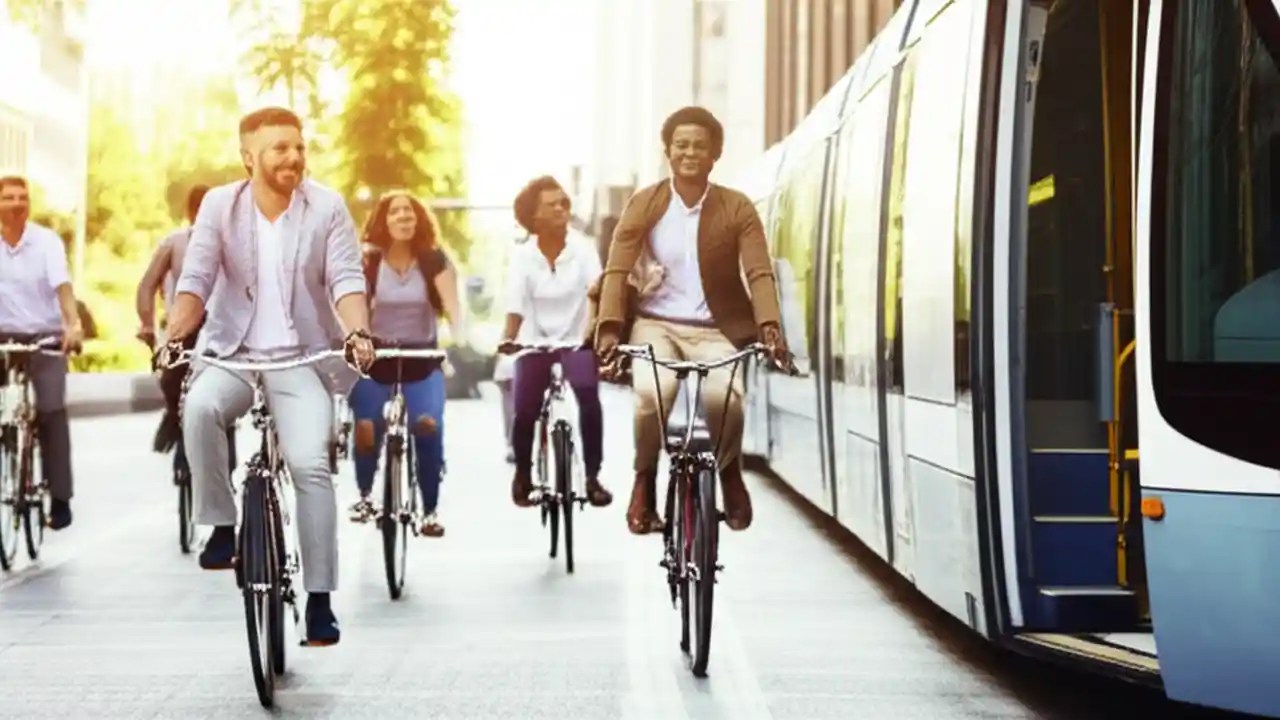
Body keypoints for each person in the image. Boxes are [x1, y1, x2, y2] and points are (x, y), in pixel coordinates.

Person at [165, 107, 375, 647]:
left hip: (300, 357)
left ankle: (321, 599)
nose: (292, 157)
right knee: (201, 407)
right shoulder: (220, 205)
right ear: (249, 157)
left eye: (298, 147)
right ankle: (221, 524)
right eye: (278, 148)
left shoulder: (326, 206)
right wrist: (174, 336)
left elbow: (346, 277)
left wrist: (356, 332)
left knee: (310, 466)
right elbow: (197, 276)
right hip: (232, 353)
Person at [593, 106, 790, 535]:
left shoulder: (736, 207)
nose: (690, 152)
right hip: (655, 326)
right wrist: (609, 328)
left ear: (715, 154)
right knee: (653, 396)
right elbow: (617, 269)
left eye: (700, 145)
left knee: (727, 401)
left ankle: (729, 473)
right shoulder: (644, 203)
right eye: (681, 144)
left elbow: (758, 271)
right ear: (668, 151)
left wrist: (769, 325)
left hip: (716, 330)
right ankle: (644, 479)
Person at [347, 191, 462, 537]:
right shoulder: (366, 261)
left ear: (419, 220)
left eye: (409, 212)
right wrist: (357, 343)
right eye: (395, 212)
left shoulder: (434, 260)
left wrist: (459, 342)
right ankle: (366, 495)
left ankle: (429, 510)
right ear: (383, 221)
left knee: (428, 425)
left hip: (421, 357)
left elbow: (454, 308)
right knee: (366, 427)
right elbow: (352, 308)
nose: (403, 218)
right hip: (376, 358)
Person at [500, 176, 613, 509]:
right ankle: (523, 474)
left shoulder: (584, 248)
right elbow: (515, 305)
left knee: (589, 398)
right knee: (525, 410)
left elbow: (596, 292)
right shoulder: (522, 256)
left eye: (564, 202)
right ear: (534, 216)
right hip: (533, 341)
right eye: (552, 205)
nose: (562, 209)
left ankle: (592, 478)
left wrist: (593, 333)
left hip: (577, 339)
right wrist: (508, 338)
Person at [0, 175, 83, 531]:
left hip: (45, 338)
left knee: (51, 410)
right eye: (8, 197)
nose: (17, 203)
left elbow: (62, 287)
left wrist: (72, 324)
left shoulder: (46, 242)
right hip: (4, 338)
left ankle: (60, 498)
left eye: (23, 197)